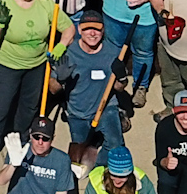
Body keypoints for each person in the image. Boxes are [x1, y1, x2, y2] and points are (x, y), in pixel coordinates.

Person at [0, 0, 72, 168]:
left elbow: (69, 29)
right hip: (6, 65)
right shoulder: (3, 5)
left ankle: (21, 142)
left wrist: (60, 46)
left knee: (28, 107)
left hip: (36, 65)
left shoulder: (46, 4)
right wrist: (1, 25)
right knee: (0, 109)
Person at [52, 15, 130, 167]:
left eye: (97, 29)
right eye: (87, 29)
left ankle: (98, 168)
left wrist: (122, 78)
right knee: (79, 152)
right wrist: (60, 80)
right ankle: (94, 142)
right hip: (77, 112)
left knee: (116, 146)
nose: (92, 33)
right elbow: (53, 90)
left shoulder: (113, 52)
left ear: (103, 31)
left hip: (105, 108)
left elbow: (119, 88)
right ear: (80, 30)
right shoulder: (69, 53)